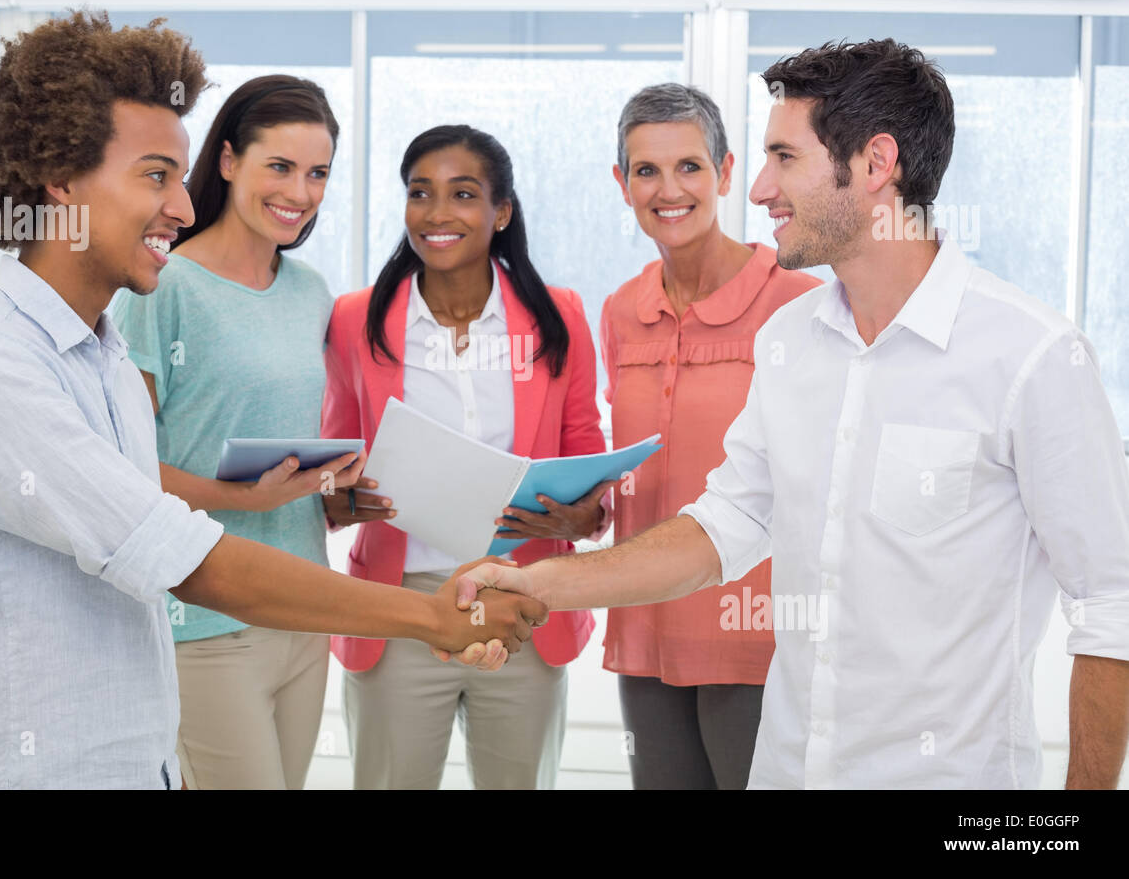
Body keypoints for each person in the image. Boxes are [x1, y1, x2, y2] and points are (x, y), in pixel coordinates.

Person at [451, 39, 1129, 789]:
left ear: (875, 164)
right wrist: (541, 585)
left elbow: (1112, 606)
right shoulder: (788, 341)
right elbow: (726, 525)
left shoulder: (1031, 356)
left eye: (784, 157)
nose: (758, 189)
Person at [0, 11, 542, 790]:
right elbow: (182, 556)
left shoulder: (106, 357)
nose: (181, 207)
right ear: (62, 180)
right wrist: (433, 616)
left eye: (180, 178)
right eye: (155, 176)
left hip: (140, 758)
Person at [321, 124, 611, 789]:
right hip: (397, 606)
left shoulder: (560, 316)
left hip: (525, 599)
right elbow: (335, 469)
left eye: (462, 194)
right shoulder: (355, 319)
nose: (437, 213)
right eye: (420, 192)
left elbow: (588, 457)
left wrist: (584, 518)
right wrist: (340, 499)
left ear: (500, 212)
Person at [110, 75, 354, 789]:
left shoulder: (311, 293)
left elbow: (288, 437)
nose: (300, 193)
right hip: (205, 616)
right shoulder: (164, 287)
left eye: (318, 173)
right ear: (226, 160)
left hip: (304, 604)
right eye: (279, 166)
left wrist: (336, 490)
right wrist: (244, 499)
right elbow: (123, 470)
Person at [600, 83, 821, 789]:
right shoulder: (621, 311)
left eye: (689, 166)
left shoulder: (799, 303)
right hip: (645, 628)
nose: (669, 190)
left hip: (757, 636)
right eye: (647, 170)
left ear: (725, 174)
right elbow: (639, 471)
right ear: (622, 184)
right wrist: (584, 506)